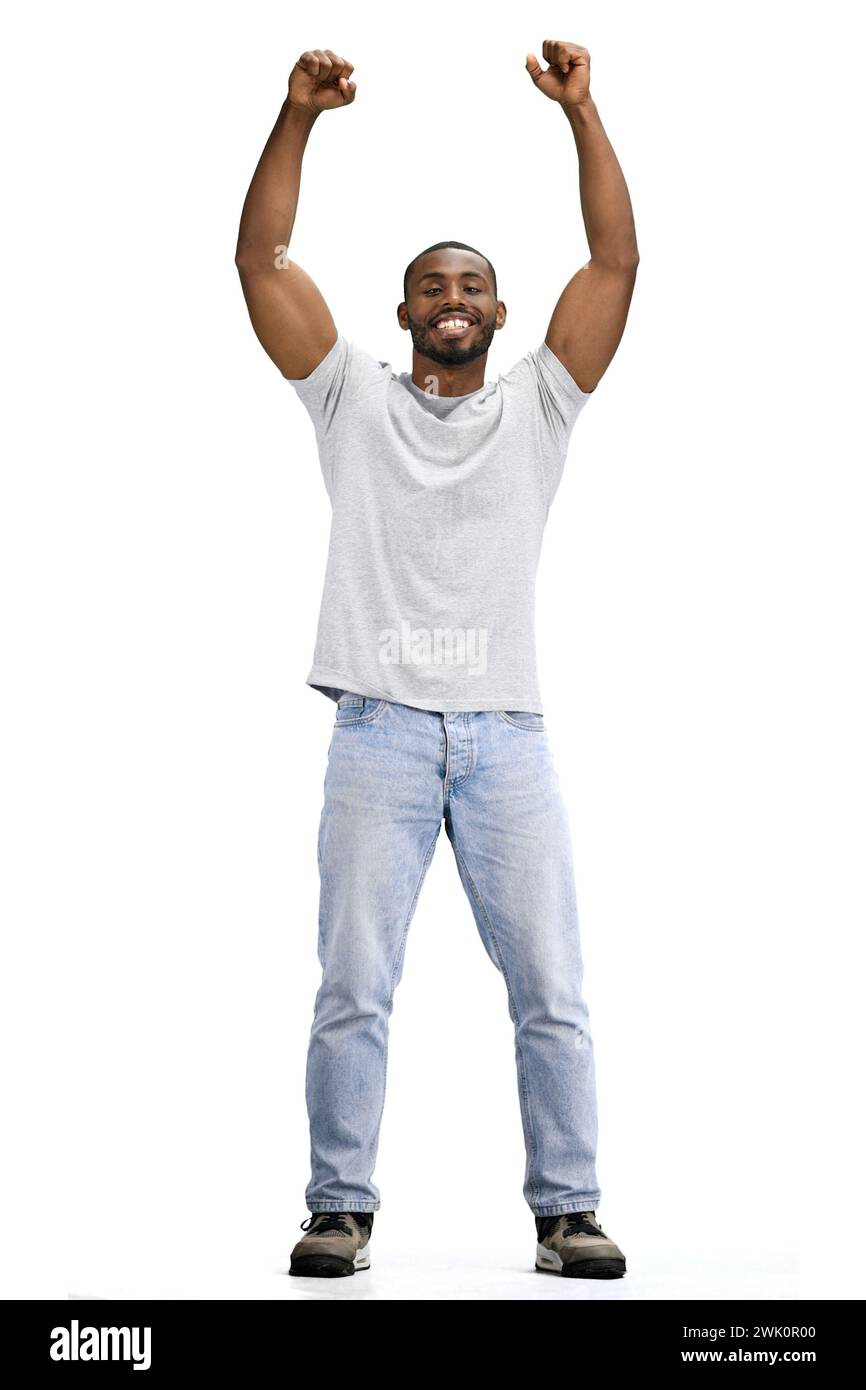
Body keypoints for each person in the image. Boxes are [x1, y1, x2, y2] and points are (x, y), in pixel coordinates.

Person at [235, 39, 639, 1281]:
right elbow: (262, 262)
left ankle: (567, 1211)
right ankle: (337, 1209)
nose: (451, 295)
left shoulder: (540, 402)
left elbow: (614, 262)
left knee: (552, 989)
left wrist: (582, 112)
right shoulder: (349, 396)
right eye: (429, 284)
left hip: (505, 734)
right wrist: (295, 115)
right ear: (403, 312)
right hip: (378, 731)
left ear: (499, 312)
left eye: (471, 282)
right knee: (353, 983)